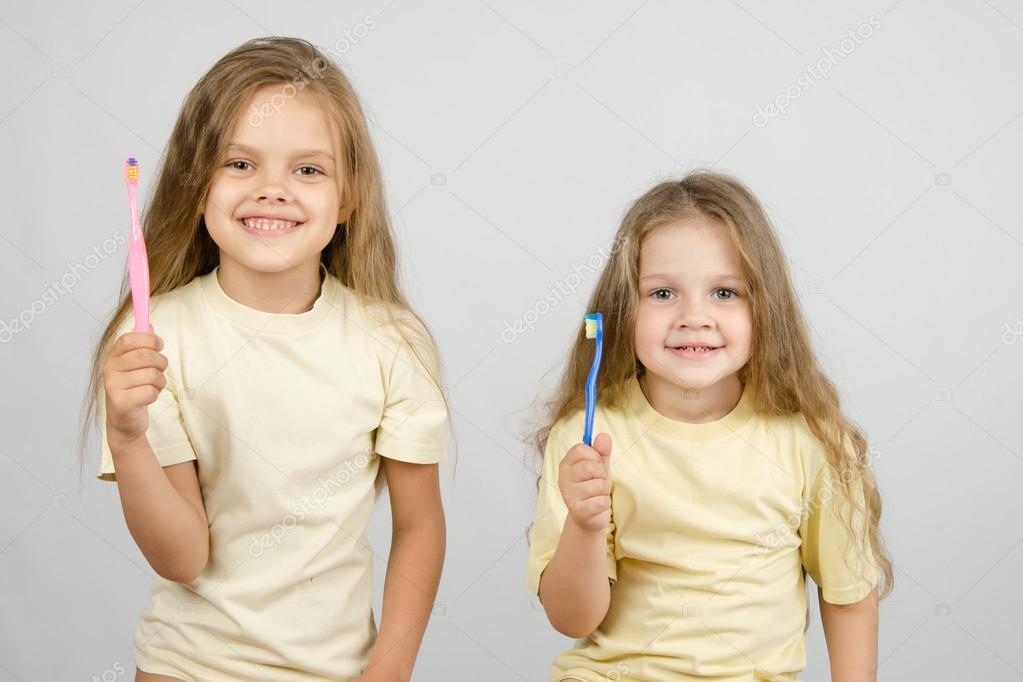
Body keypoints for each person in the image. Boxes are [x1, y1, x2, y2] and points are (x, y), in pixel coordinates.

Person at [85, 37, 448, 681]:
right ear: (198, 188)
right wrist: (127, 436)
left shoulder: (393, 343)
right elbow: (183, 557)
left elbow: (419, 527)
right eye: (240, 164)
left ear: (349, 196)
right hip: (187, 668)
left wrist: (388, 671)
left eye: (308, 170)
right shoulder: (156, 336)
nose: (273, 191)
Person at [527, 171, 891, 681]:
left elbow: (849, 597)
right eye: (661, 294)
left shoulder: (812, 441)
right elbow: (570, 619)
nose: (694, 316)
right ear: (622, 310)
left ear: (767, 309)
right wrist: (585, 527)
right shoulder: (587, 440)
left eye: (724, 292)